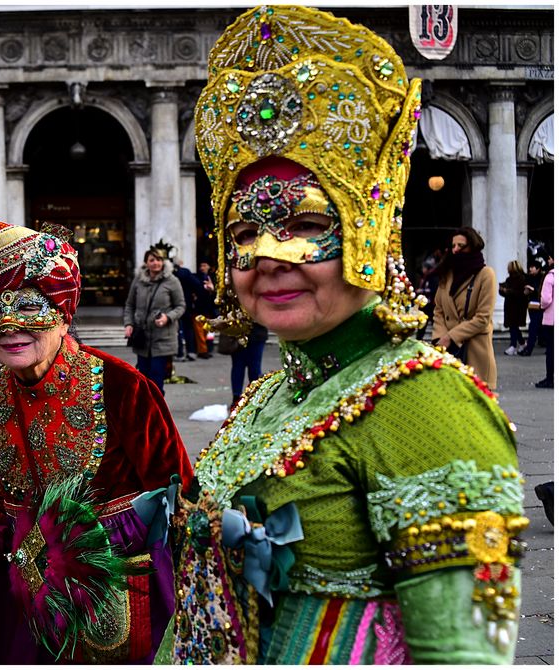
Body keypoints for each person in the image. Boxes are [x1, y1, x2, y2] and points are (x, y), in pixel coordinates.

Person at [162, 6, 526, 664]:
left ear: (369, 231)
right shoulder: (267, 396)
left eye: (305, 226)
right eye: (244, 233)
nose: (269, 256)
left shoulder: (430, 405)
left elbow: (465, 653)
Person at [0, 220, 194, 664]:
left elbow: (179, 491)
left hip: (117, 583)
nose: (9, 324)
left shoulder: (122, 385)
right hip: (23, 588)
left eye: (28, 306)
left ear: (63, 312)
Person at [432, 226, 498, 388]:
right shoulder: (447, 274)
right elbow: (439, 310)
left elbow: (483, 318)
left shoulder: (485, 274)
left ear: (472, 247)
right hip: (449, 354)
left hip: (475, 352)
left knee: (476, 400)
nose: (455, 250)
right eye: (453, 246)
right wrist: (439, 338)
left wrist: (451, 337)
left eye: (461, 246)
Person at [123, 246, 185, 393]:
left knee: (156, 380)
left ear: (163, 262)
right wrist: (128, 323)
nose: (155, 263)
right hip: (142, 338)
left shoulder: (172, 281)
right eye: (152, 260)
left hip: (163, 338)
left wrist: (168, 317)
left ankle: (157, 406)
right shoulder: (138, 281)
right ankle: (146, 406)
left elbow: (181, 306)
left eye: (158, 260)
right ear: (146, 263)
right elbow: (130, 304)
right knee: (143, 378)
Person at [228, 322, 268, 408]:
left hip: (241, 333)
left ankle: (237, 397)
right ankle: (253, 395)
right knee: (252, 367)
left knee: (239, 367)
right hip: (254, 333)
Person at [173, 258, 203, 361]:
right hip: (187, 304)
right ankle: (191, 351)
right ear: (181, 263)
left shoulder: (171, 274)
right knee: (188, 328)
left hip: (174, 305)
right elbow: (197, 285)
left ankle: (179, 353)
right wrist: (195, 295)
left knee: (177, 329)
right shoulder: (186, 273)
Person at [499, 259, 530, 355]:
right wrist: (502, 290)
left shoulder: (521, 279)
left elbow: (520, 293)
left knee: (513, 326)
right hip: (512, 306)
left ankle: (514, 345)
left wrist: (507, 291)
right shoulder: (510, 279)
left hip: (517, 306)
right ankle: (521, 343)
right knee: (513, 326)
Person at [520, 257, 547, 355]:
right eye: (530, 267)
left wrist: (534, 290)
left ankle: (529, 349)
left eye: (532, 267)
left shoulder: (543, 278)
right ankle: (545, 344)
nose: (530, 269)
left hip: (541, 305)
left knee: (534, 327)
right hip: (532, 305)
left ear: (538, 268)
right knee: (539, 326)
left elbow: (543, 291)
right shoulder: (529, 278)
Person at [536, 262, 554, 388]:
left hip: (551, 319)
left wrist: (541, 306)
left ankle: (550, 378)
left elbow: (546, 299)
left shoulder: (550, 277)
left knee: (551, 350)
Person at [414, 255, 439, 341]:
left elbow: (433, 289)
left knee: (433, 322)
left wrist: (422, 291)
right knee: (423, 322)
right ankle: (419, 338)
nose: (423, 270)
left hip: (431, 304)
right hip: (425, 305)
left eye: (424, 268)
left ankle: (436, 338)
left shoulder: (433, 278)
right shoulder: (425, 277)